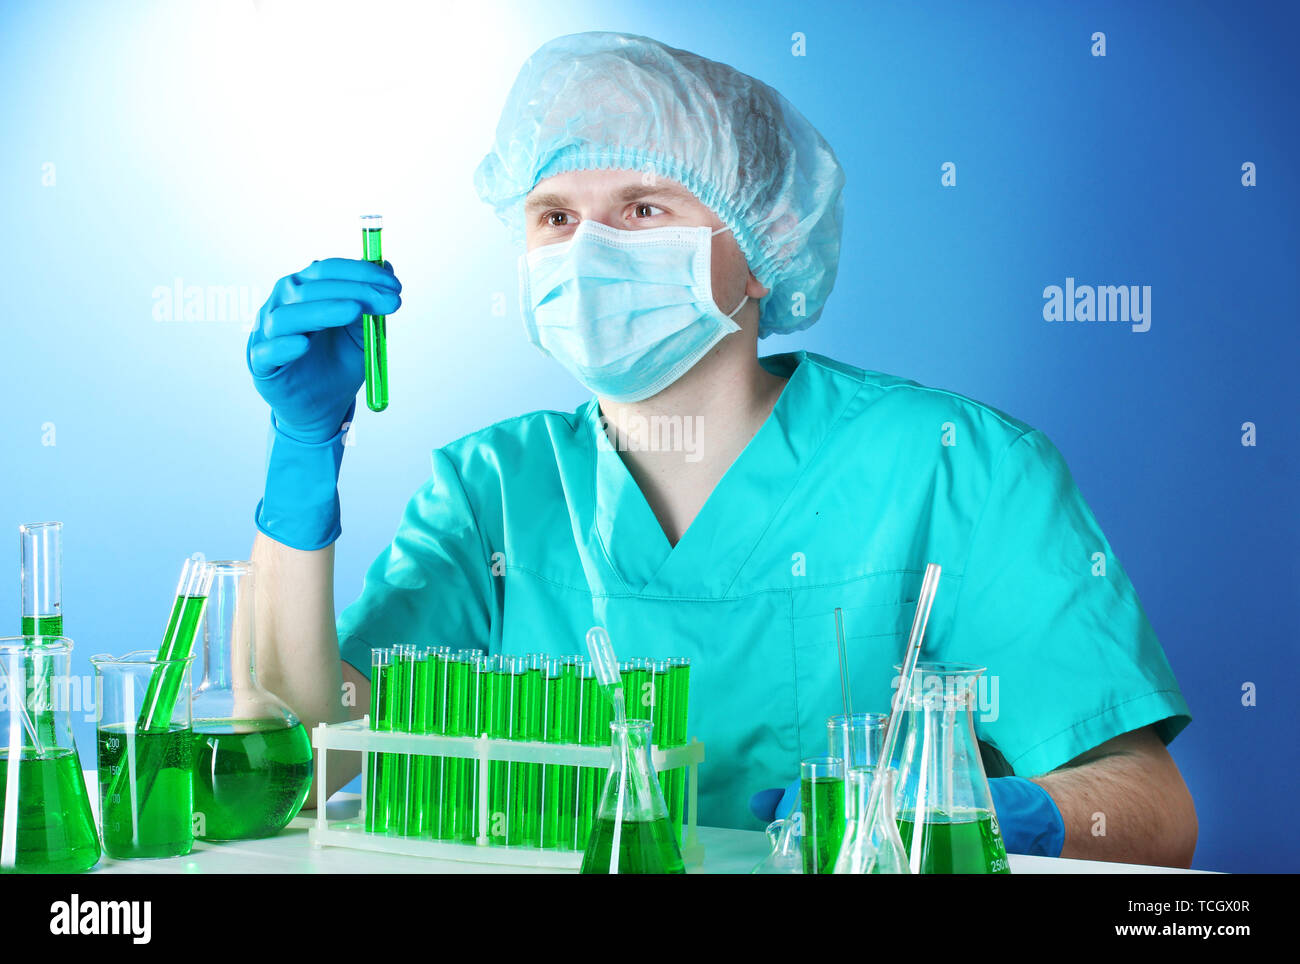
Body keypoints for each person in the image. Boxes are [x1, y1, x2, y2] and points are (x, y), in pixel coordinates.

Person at [245, 31, 1196, 866]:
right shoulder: (494, 488)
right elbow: (313, 735)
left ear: (767, 238)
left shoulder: (957, 467)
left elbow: (1155, 813)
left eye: (645, 209)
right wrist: (302, 453)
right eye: (555, 217)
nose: (585, 252)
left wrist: (985, 813)